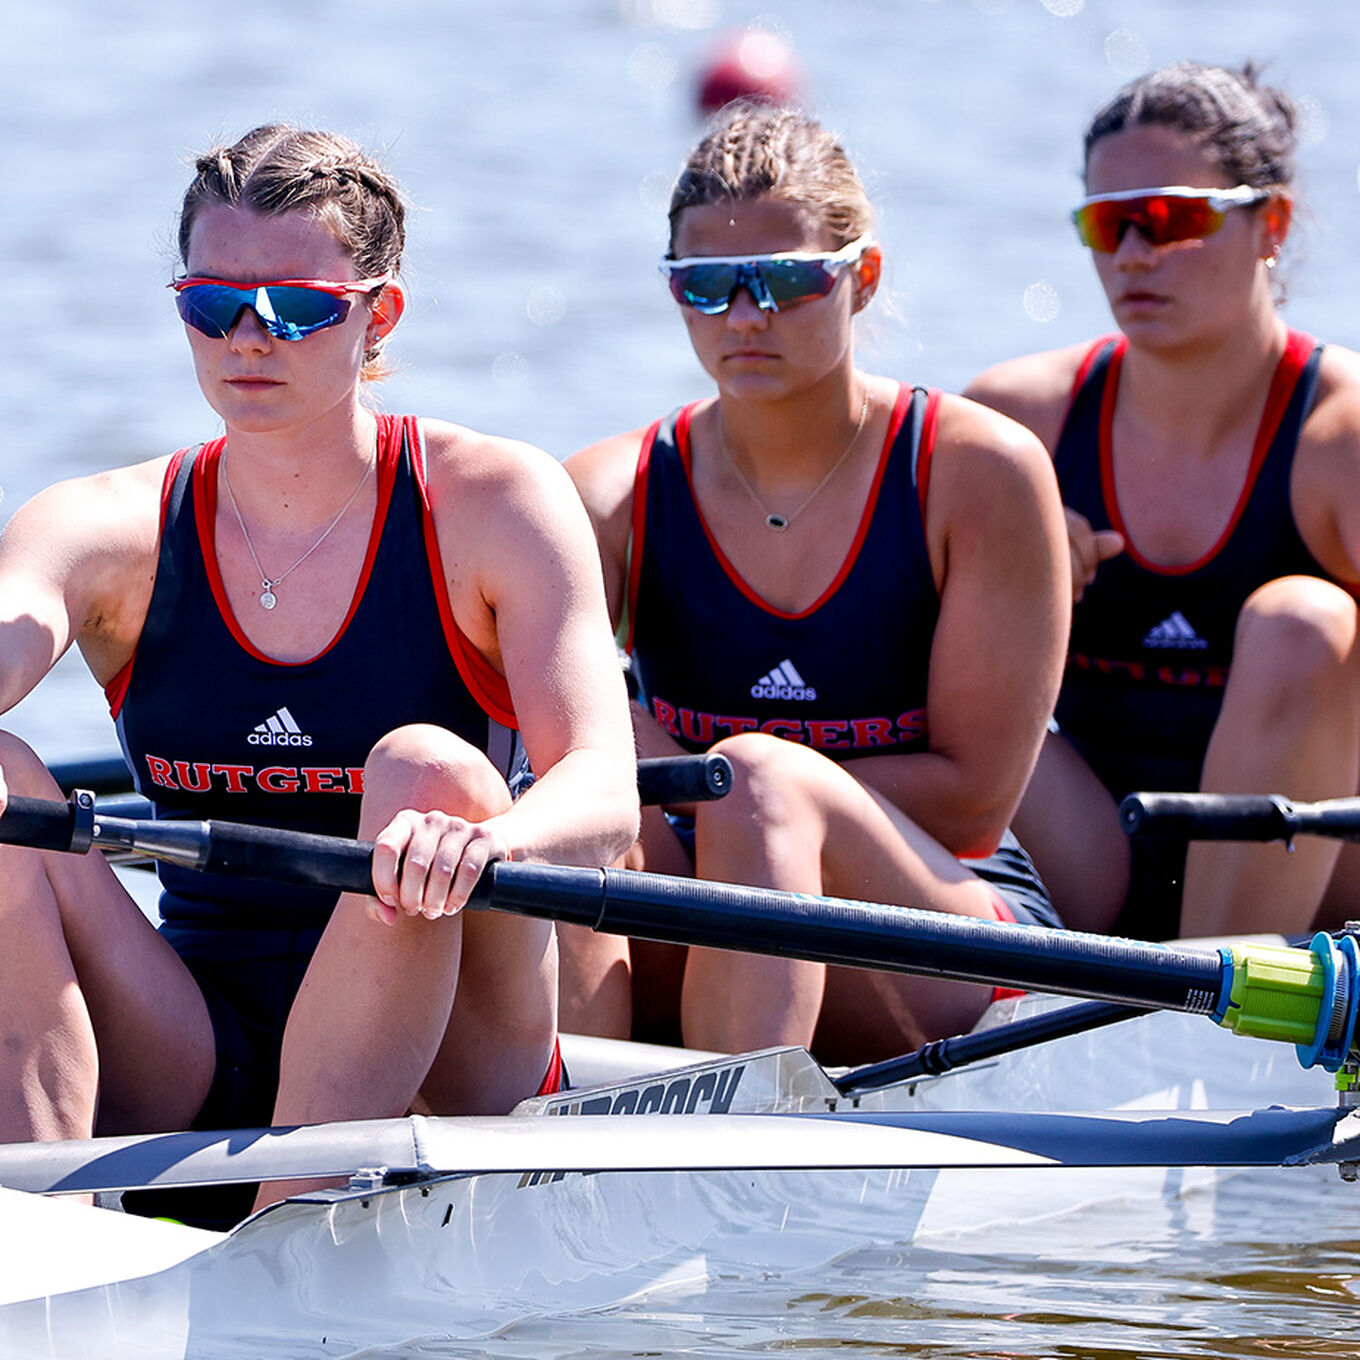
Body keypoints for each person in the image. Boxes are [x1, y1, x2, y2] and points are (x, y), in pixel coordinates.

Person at [0, 124, 638, 1210]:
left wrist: (480, 838)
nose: (250, 337)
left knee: (427, 770)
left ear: (377, 314)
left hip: (451, 1050)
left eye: (295, 307)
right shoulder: (106, 526)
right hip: (196, 1032)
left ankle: (277, 1232)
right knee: (5, 776)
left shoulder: (495, 503)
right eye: (213, 306)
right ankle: (29, 1217)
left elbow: (603, 794)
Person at [560, 101, 1069, 1062]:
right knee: (567, 782)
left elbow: (972, 804)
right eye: (707, 286)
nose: (745, 316)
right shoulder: (608, 493)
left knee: (754, 779)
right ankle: (536, 1141)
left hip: (950, 937)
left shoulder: (976, 471)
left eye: (786, 281)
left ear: (861, 277)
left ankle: (722, 1158)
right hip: (709, 896)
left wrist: (737, 788)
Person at [964, 62, 1360, 942]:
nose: (1134, 254)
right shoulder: (1015, 424)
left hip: (1320, 877)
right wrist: (1011, 590)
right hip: (1092, 853)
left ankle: (1219, 993)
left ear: (1273, 225)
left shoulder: (1345, 439)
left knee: (1303, 617)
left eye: (1175, 220)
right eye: (1109, 225)